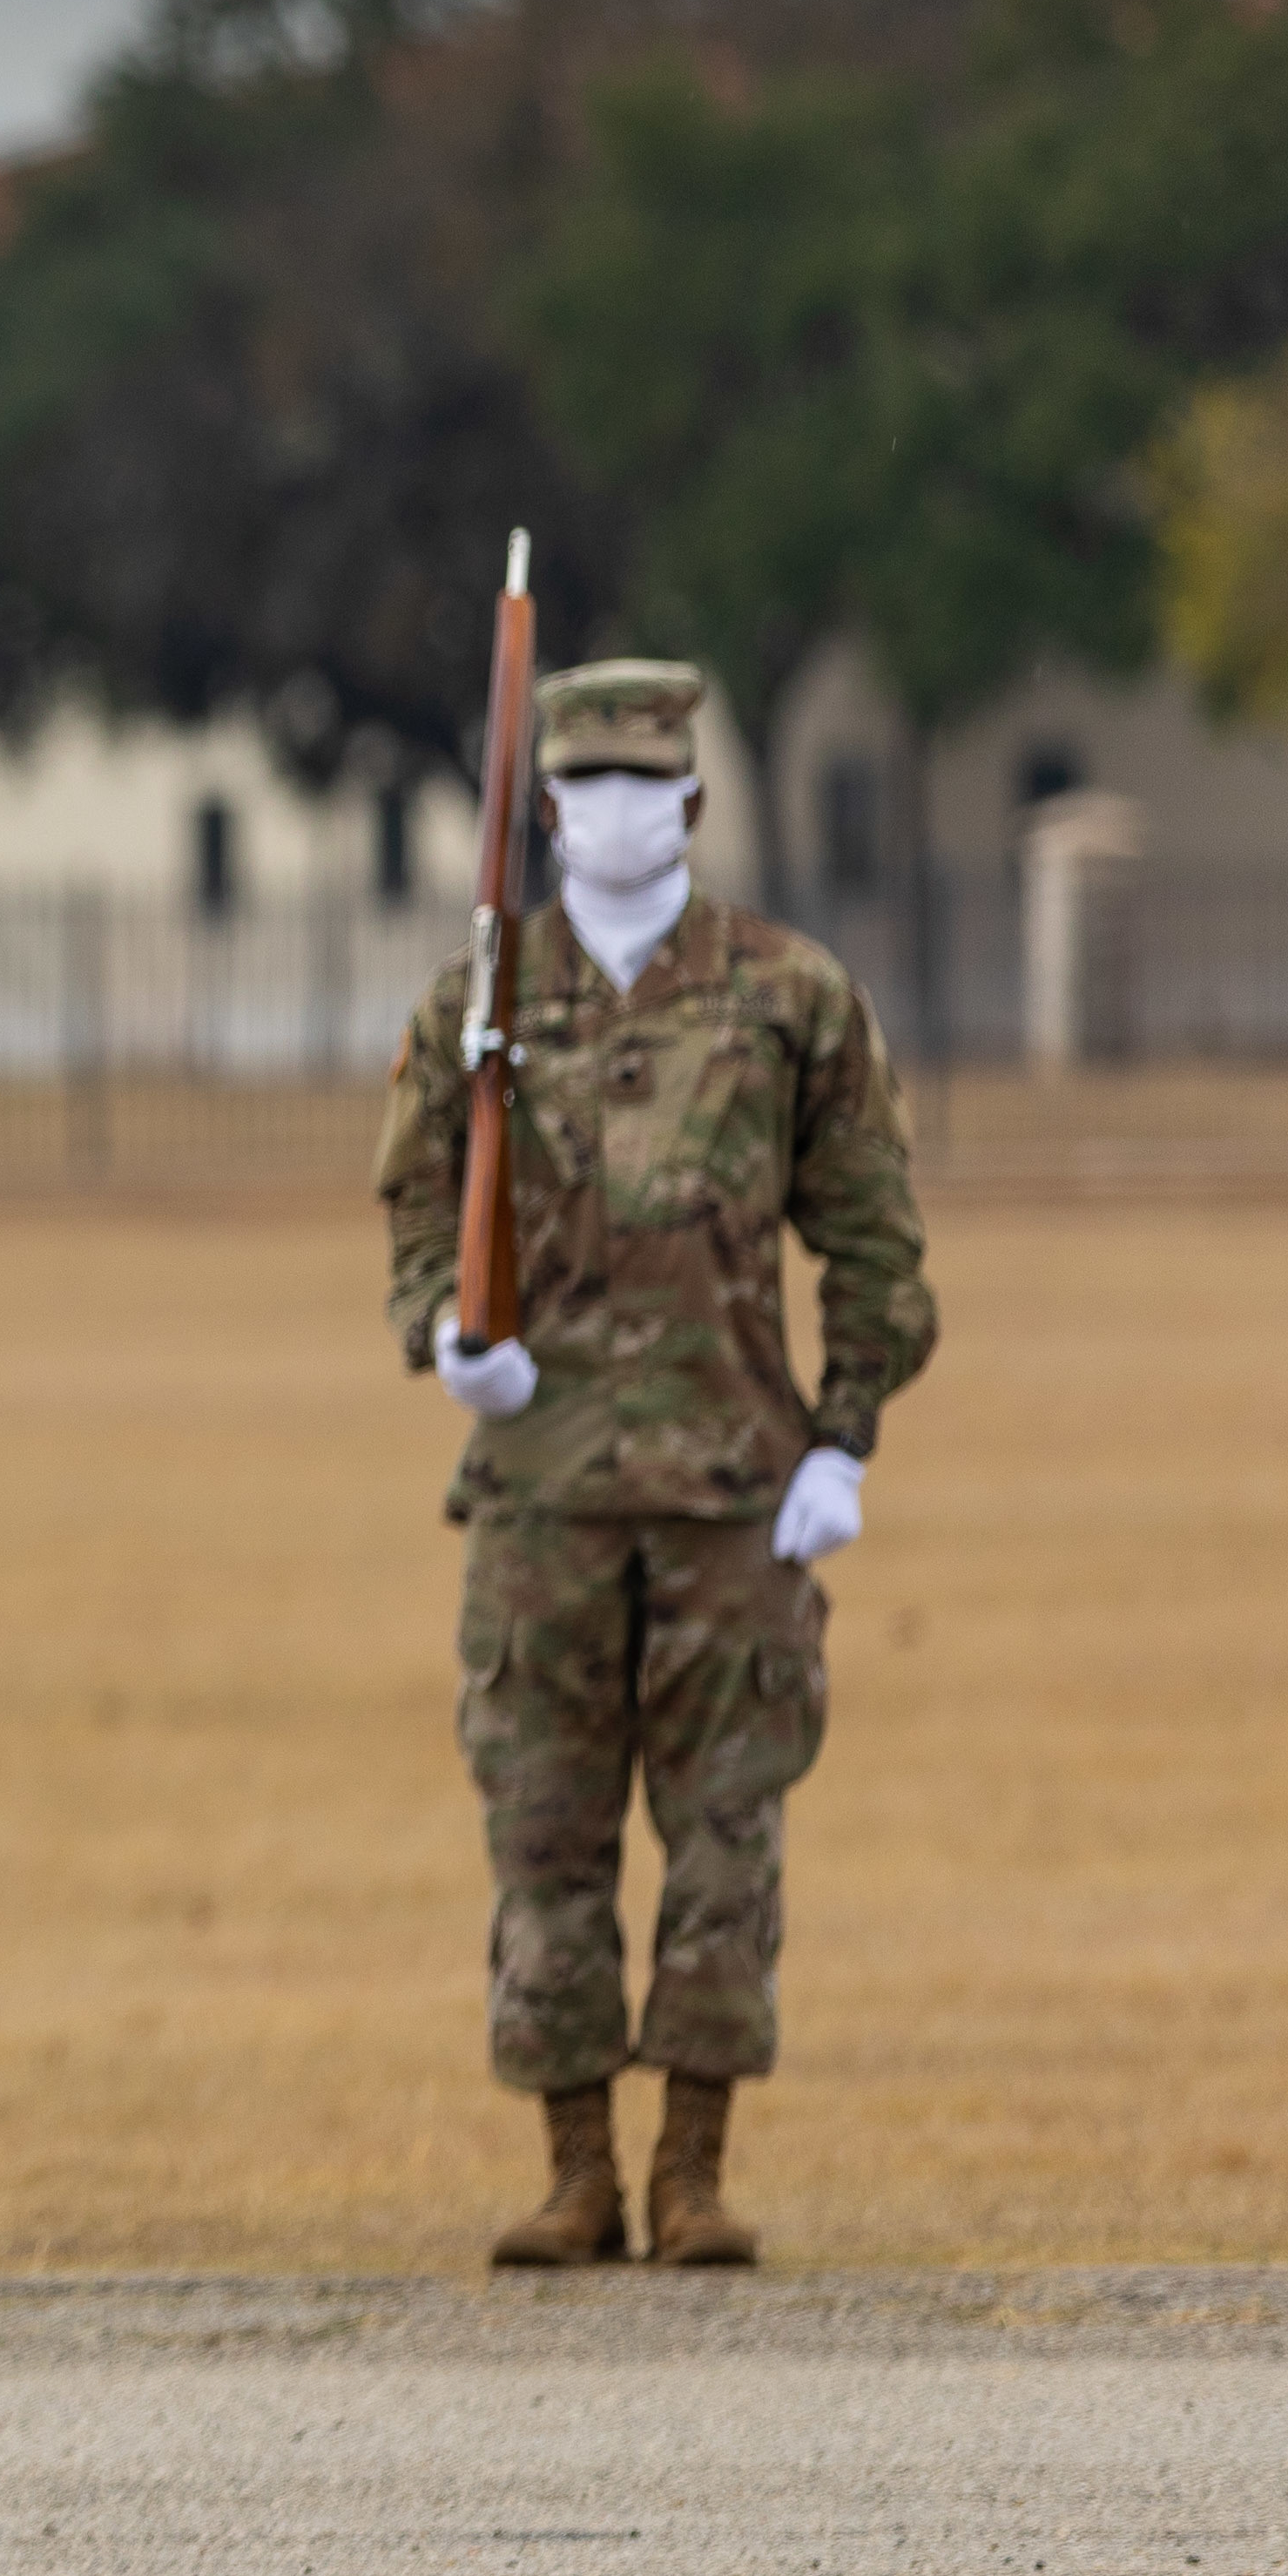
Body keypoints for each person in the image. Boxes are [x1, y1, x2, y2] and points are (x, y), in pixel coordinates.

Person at [373, 657, 934, 2271]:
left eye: (646, 786)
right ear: (543, 808)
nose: (616, 813)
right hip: (540, 1495)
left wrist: (847, 1434)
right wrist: (441, 1331)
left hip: (731, 1498)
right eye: (586, 788)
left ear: (693, 800)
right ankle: (575, 2172)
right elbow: (416, 1199)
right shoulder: (480, 1000)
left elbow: (876, 1237)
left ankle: (691, 2166)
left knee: (727, 1837)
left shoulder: (788, 995)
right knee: (542, 1837)